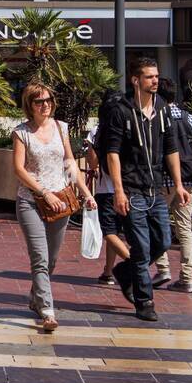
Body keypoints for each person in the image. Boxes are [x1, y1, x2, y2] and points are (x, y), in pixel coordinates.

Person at [103, 57, 190, 321]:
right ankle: (145, 301)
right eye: (150, 77)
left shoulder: (163, 109)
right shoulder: (122, 111)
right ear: (135, 80)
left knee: (163, 241)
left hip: (155, 189)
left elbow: (171, 149)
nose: (155, 81)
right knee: (140, 246)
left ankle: (125, 272)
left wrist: (178, 184)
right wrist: (118, 191)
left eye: (156, 76)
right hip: (131, 188)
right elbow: (112, 153)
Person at [11, 82, 96, 333]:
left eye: (48, 100)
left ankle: (36, 297)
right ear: (30, 105)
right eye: (39, 101)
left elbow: (70, 162)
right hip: (31, 201)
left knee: (51, 260)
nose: (45, 105)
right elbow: (18, 169)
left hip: (61, 201)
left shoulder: (61, 128)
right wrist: (43, 193)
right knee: (39, 257)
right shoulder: (21, 132)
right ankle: (47, 311)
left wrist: (87, 193)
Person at [154, 77, 192, 294]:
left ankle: (163, 268)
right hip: (189, 180)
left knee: (155, 224)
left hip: (163, 181)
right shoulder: (190, 119)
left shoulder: (157, 118)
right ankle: (187, 279)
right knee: (185, 229)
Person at [85, 120, 131, 287]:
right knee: (116, 233)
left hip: (107, 190)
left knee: (108, 232)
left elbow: (93, 162)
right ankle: (108, 271)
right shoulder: (130, 124)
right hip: (131, 189)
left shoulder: (98, 130)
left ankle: (134, 266)